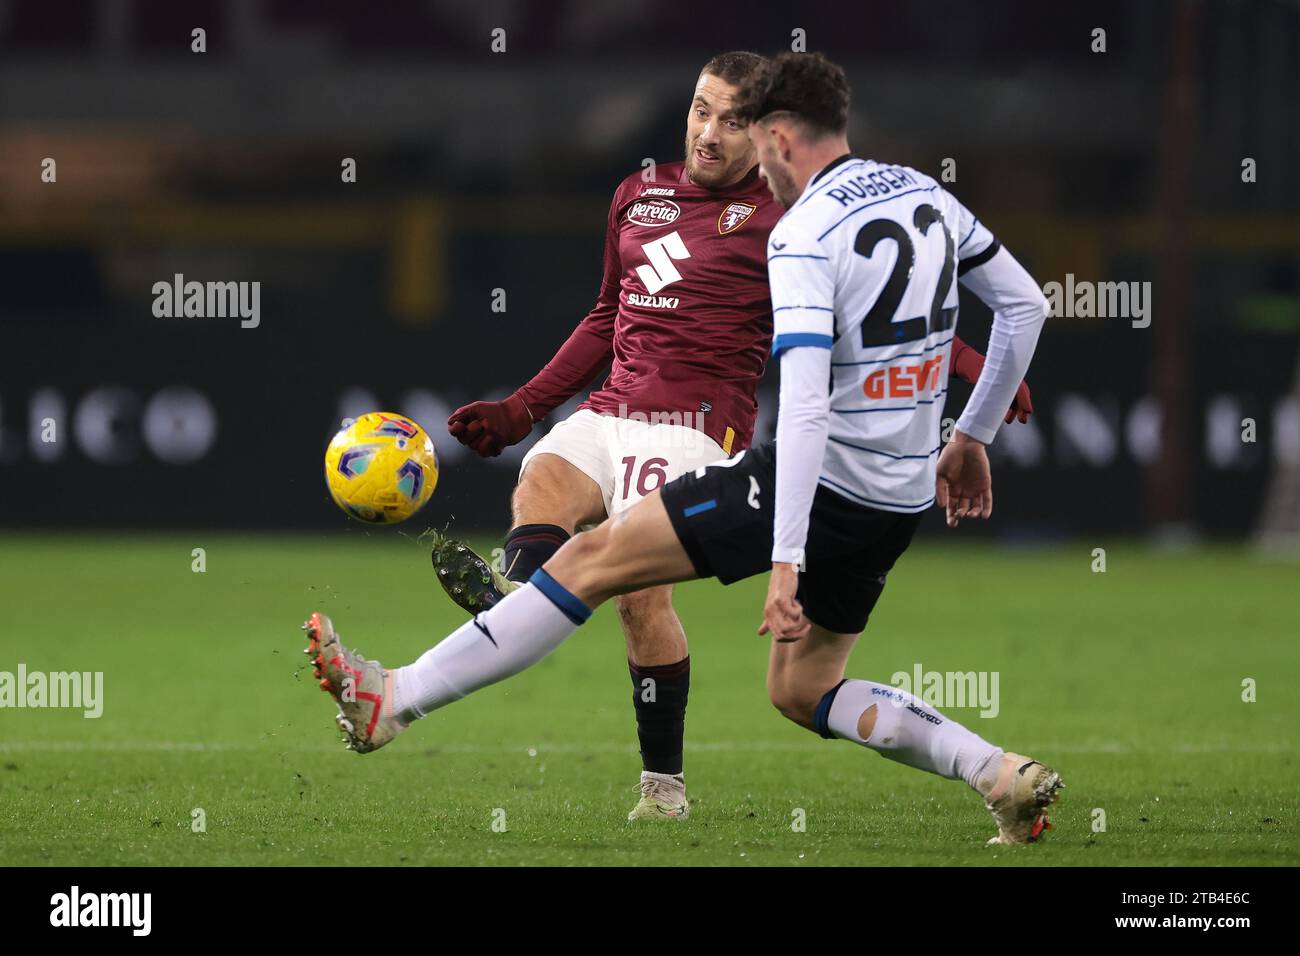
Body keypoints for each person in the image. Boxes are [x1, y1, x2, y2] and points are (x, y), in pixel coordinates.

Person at [305, 51, 1061, 844]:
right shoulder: (918, 190)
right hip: (896, 496)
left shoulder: (799, 230)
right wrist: (969, 429)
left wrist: (786, 560)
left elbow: (802, 407)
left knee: (593, 566)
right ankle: (997, 774)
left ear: (772, 135)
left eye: (737, 121)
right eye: (701, 110)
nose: (714, 133)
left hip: (812, 478)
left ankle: (394, 698)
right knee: (803, 690)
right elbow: (1021, 307)